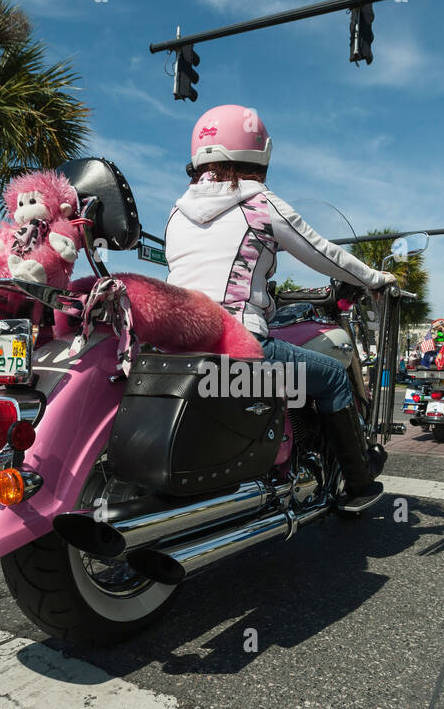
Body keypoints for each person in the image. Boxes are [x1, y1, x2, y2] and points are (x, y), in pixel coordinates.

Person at [165, 104, 396, 509]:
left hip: (178, 347)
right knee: (333, 378)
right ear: (259, 151)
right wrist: (376, 279)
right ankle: (360, 486)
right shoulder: (259, 204)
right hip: (240, 345)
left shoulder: (176, 212)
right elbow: (322, 251)